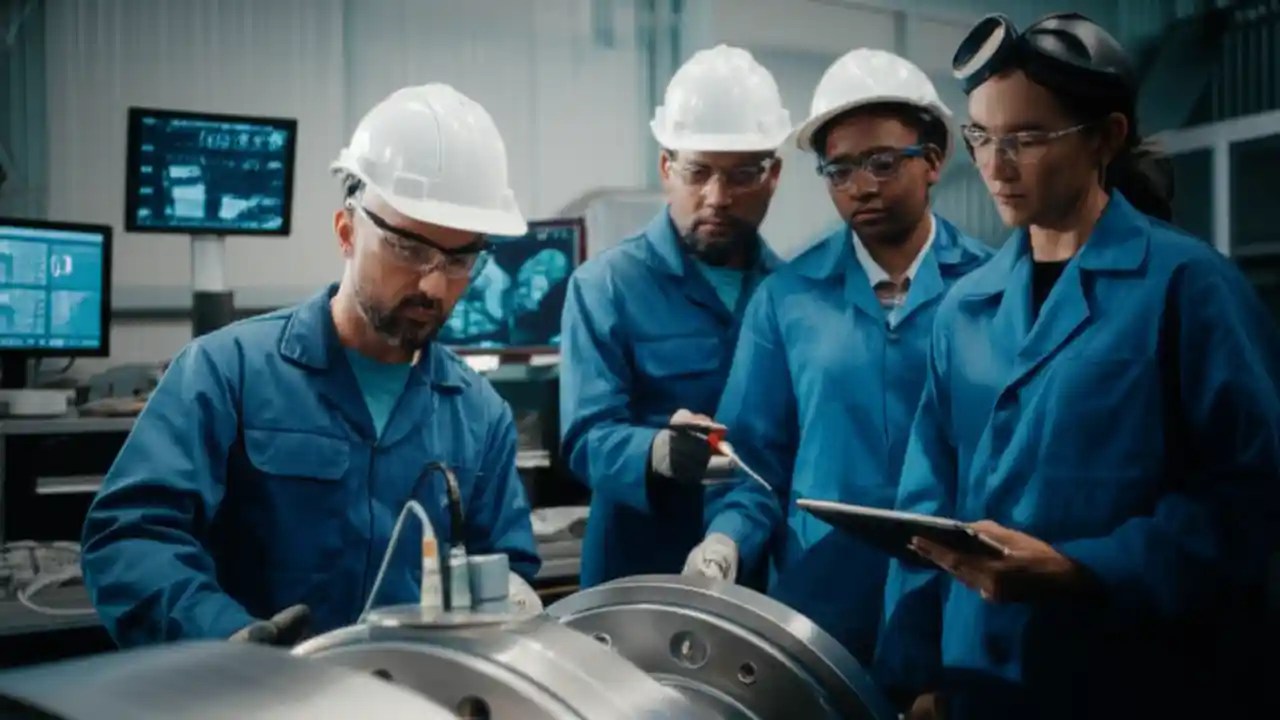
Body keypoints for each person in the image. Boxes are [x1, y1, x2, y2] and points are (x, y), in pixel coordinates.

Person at [874, 13, 1280, 720]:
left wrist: (1079, 570)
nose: (995, 166)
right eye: (982, 137)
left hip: (1127, 677)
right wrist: (916, 677)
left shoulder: (1187, 289)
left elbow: (1248, 500)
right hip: (977, 680)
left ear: (1106, 138)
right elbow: (925, 505)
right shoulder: (967, 308)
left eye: (1026, 139)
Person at [81, 84, 542, 647]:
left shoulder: (480, 415)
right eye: (407, 248)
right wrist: (226, 639)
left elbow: (507, 569)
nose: (432, 282)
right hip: (248, 702)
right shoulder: (227, 374)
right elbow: (132, 537)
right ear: (347, 232)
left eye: (459, 258)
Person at [697, 49, 992, 660]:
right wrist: (725, 540)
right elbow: (750, 461)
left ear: (933, 161)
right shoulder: (786, 300)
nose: (861, 186)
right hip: (819, 606)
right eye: (839, 170)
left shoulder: (994, 291)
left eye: (883, 163)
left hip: (960, 602)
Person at [559, 44, 791, 588]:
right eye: (698, 172)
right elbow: (584, 438)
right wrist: (658, 450)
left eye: (741, 176)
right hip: (636, 578)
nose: (717, 196)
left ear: (774, 175)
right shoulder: (607, 287)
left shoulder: (791, 295)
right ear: (667, 168)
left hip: (754, 578)